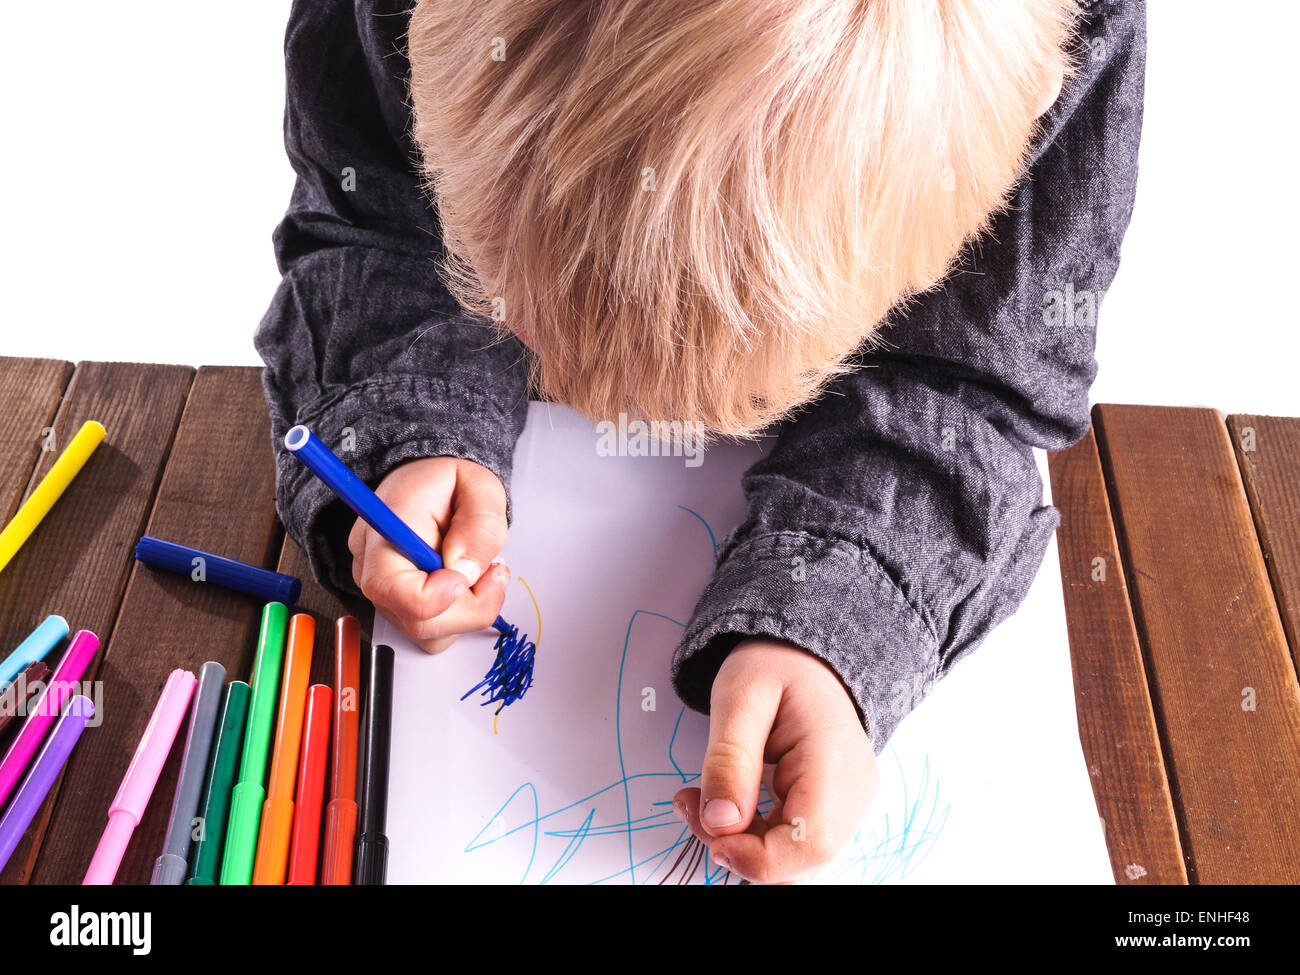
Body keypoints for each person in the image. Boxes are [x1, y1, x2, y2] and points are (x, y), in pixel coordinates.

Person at [256, 0, 1146, 882]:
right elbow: (369, 218)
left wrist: (840, 610)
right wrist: (408, 423)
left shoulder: (1070, 36)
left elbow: (968, 378)